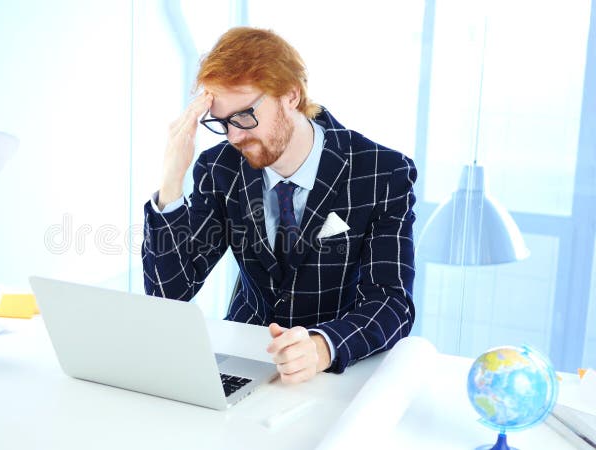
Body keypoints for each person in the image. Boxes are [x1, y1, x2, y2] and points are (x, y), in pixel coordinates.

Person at [142, 27, 417, 384]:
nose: (234, 136)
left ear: (291, 95)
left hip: (337, 370)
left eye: (244, 115)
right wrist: (172, 179)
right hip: (243, 363)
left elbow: (392, 303)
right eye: (222, 123)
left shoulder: (382, 172)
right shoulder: (221, 168)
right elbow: (170, 294)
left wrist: (323, 346)